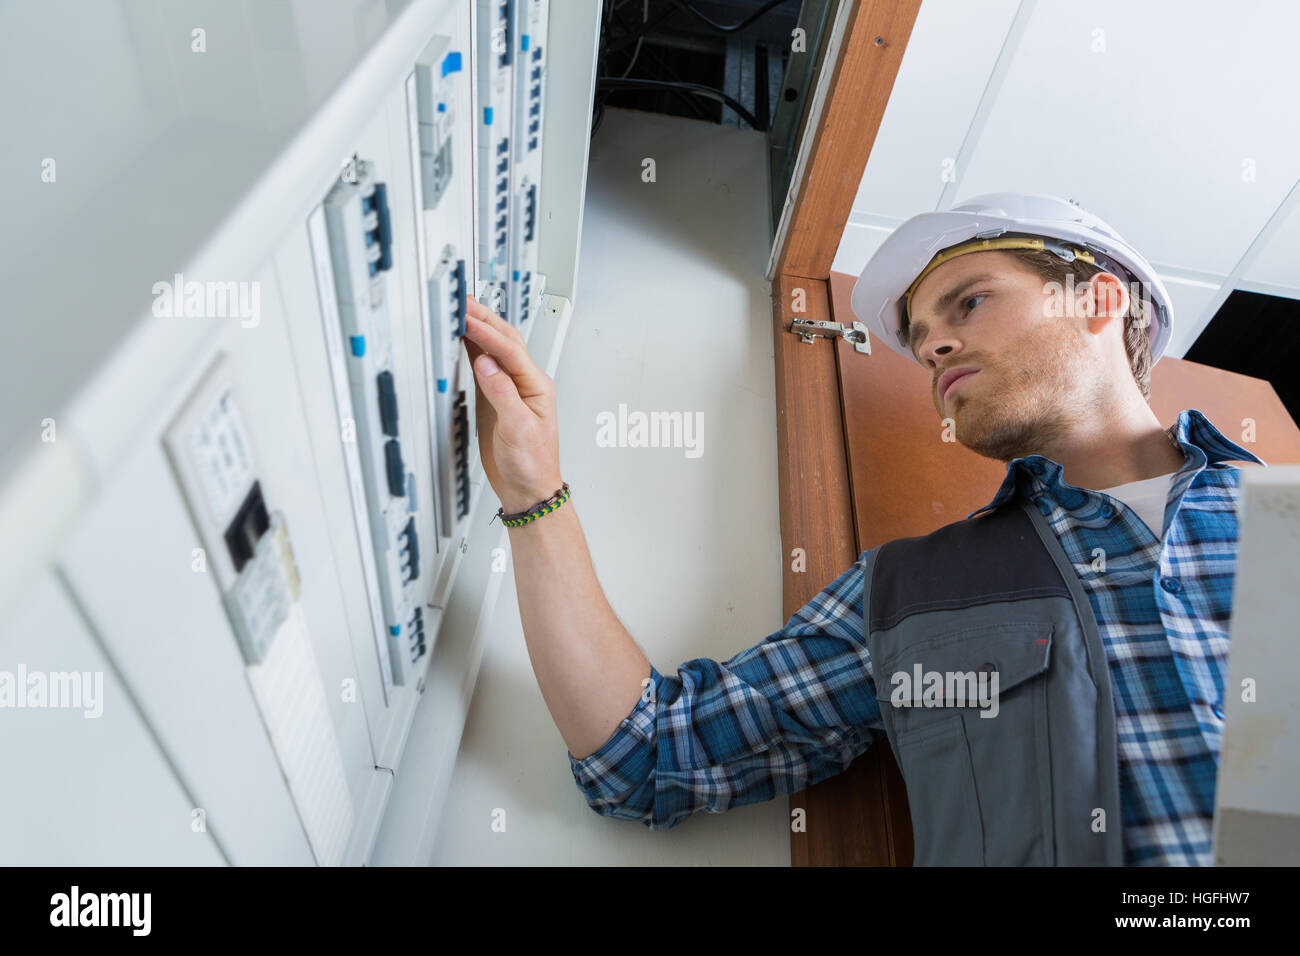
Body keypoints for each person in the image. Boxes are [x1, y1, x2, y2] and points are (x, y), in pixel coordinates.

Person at [458, 192, 1265, 866]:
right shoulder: (907, 595)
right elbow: (644, 756)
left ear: (1097, 299)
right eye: (919, 341)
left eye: (970, 302)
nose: (933, 346)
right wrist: (535, 493)